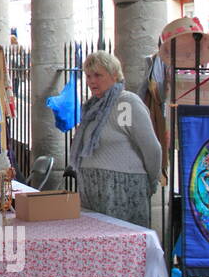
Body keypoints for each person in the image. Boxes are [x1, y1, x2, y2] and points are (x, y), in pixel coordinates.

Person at [69, 50, 162, 228]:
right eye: (88, 76)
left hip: (121, 190)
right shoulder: (91, 108)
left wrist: (150, 181)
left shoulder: (127, 103)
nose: (91, 81)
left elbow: (152, 148)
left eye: (97, 75)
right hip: (92, 190)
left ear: (114, 75)